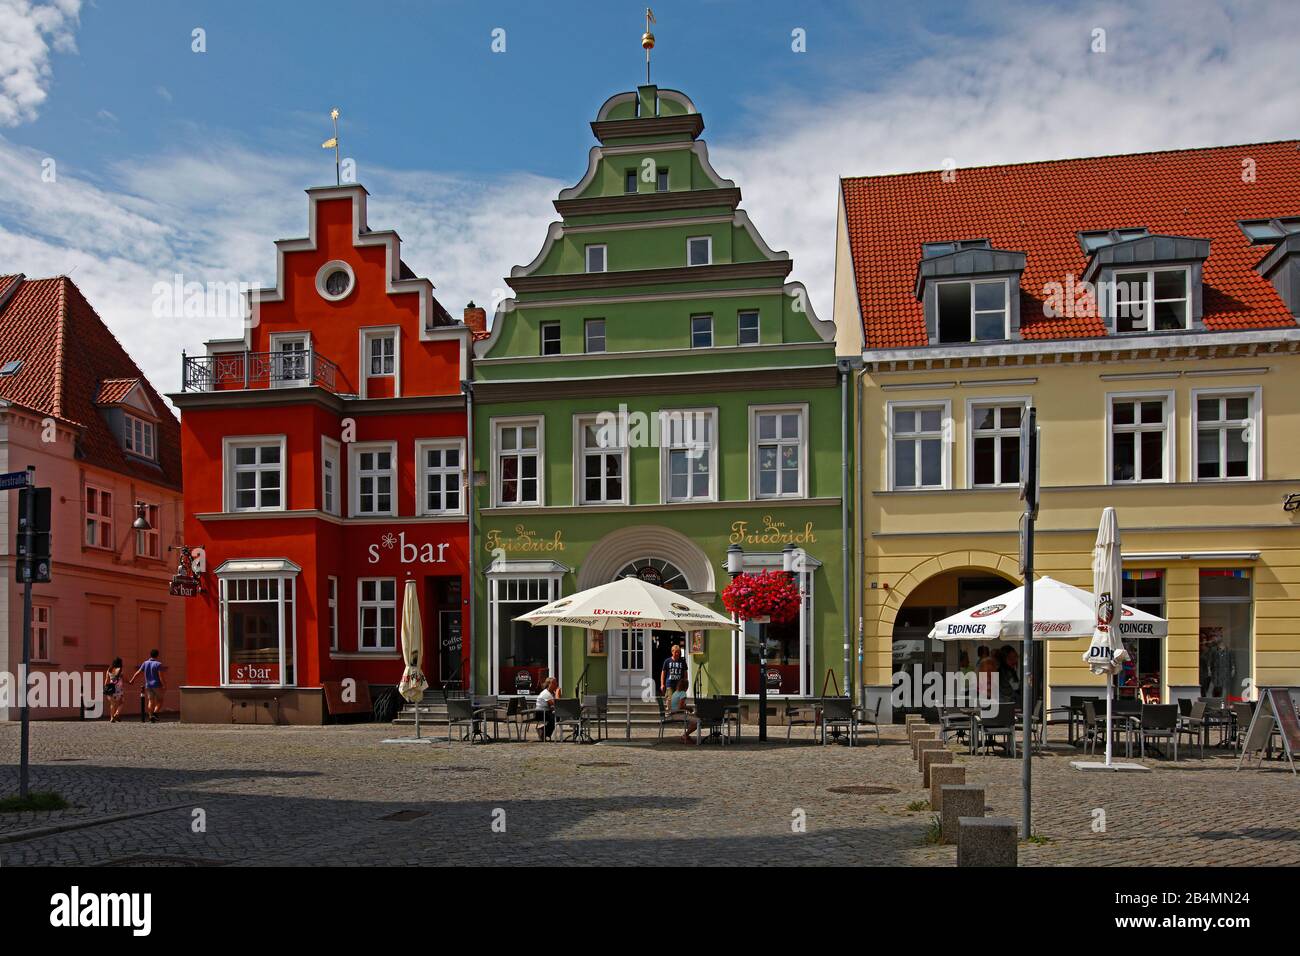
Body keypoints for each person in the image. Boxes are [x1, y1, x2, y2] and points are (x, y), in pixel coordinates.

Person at [130, 649, 165, 723]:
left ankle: (150, 716)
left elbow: (138, 672)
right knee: (160, 700)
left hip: (148, 685)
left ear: (150, 654)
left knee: (150, 701)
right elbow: (160, 676)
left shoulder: (145, 663)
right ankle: (155, 713)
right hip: (156, 685)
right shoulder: (158, 664)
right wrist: (164, 685)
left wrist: (132, 680)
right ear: (157, 655)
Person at [669, 675, 699, 744]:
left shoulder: (675, 693)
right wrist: (689, 708)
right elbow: (681, 706)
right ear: (686, 686)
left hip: (674, 713)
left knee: (693, 719)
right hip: (678, 714)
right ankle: (685, 735)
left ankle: (687, 735)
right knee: (697, 721)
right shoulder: (683, 693)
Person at [534, 676, 558, 740]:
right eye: (554, 683)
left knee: (557, 716)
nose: (556, 685)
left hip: (546, 711)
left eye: (556, 683)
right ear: (549, 684)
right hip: (540, 713)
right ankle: (543, 732)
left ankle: (543, 732)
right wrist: (558, 694)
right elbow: (555, 704)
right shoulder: (546, 693)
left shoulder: (552, 693)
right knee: (555, 717)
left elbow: (553, 706)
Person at [103, 657, 124, 722]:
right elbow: (124, 678)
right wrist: (129, 681)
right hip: (118, 688)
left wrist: (105, 687)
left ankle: (112, 718)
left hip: (111, 687)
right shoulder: (120, 669)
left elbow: (106, 679)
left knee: (112, 703)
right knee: (122, 702)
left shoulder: (109, 669)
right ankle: (116, 714)